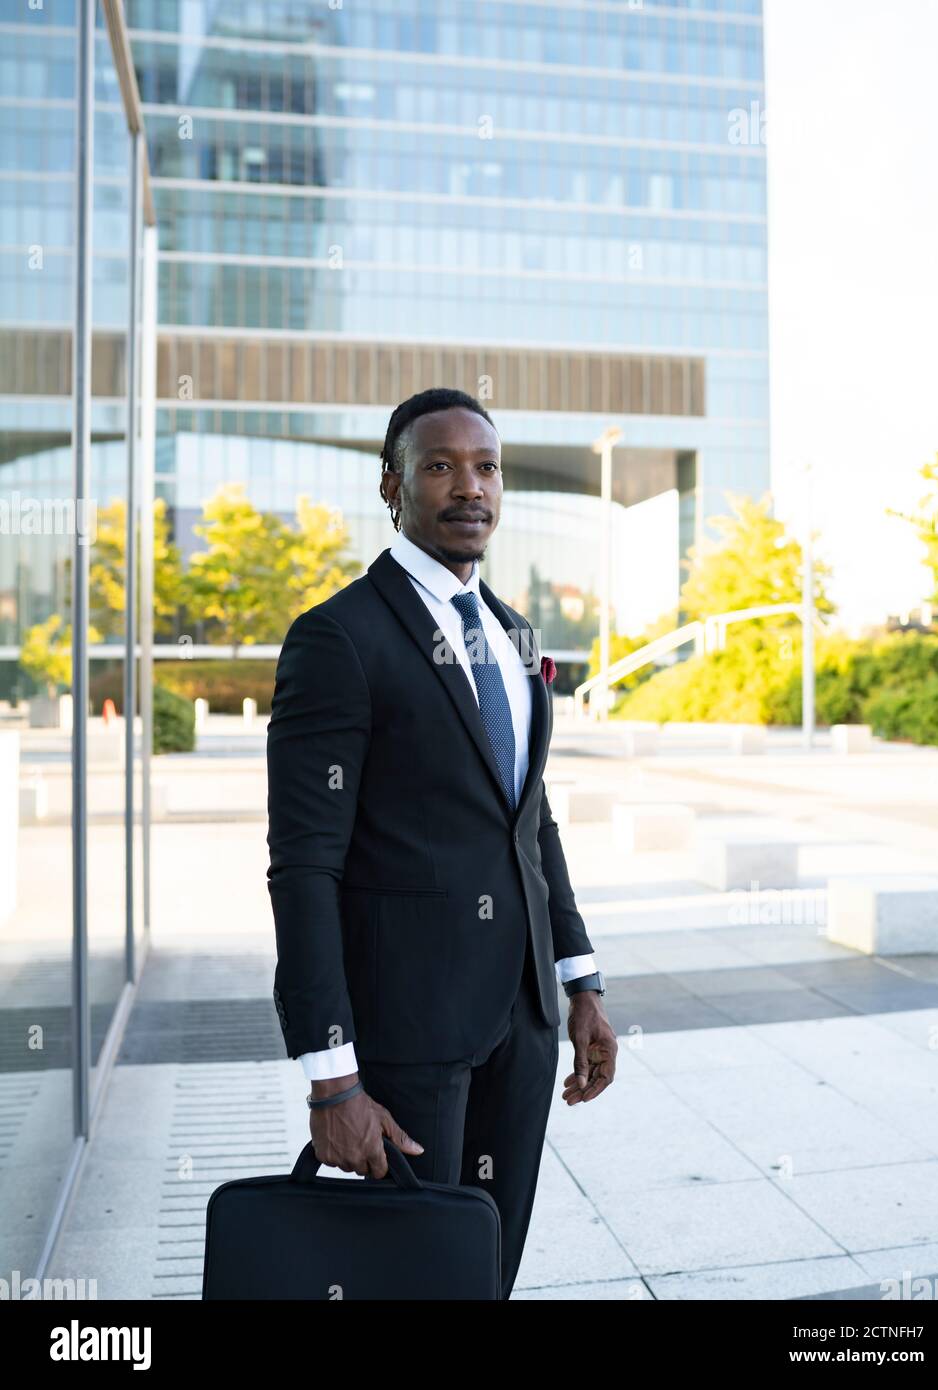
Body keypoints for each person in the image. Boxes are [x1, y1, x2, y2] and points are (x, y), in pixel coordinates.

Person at [266, 386, 618, 1298]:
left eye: (487, 467)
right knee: (410, 1282)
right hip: (409, 1034)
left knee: (487, 1269)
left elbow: (529, 819)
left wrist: (579, 984)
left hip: (524, 1026)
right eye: (439, 466)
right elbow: (304, 866)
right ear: (392, 488)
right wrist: (331, 1079)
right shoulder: (338, 638)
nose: (470, 487)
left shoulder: (514, 634)